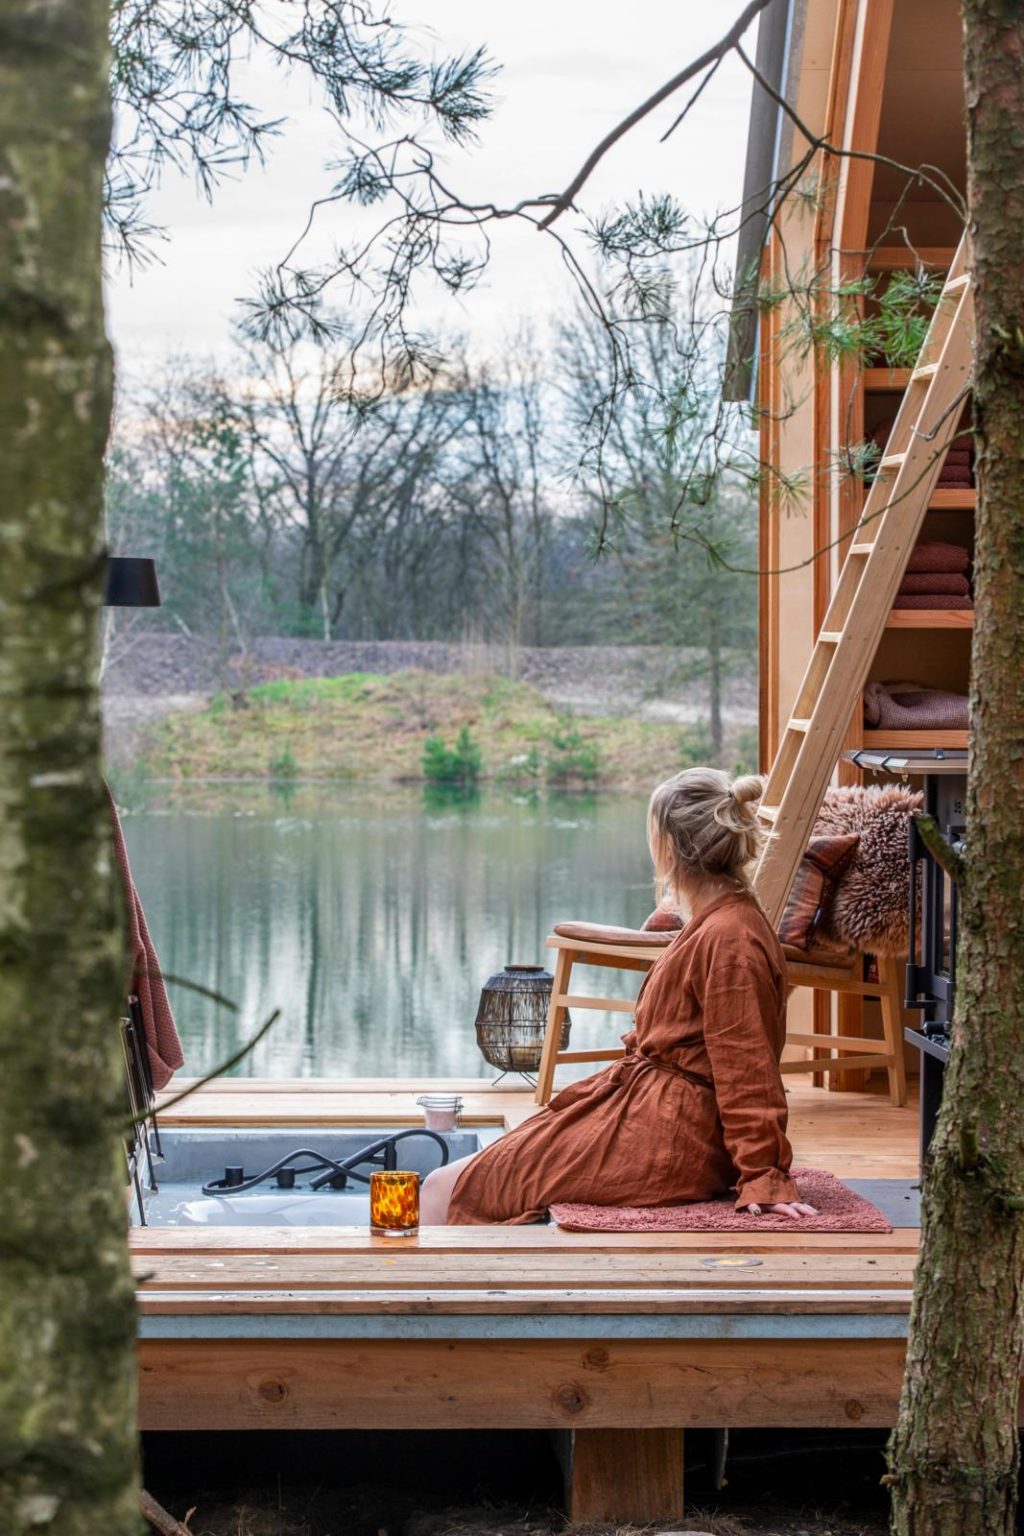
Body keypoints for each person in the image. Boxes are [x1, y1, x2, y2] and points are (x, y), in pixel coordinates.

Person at [420, 767, 817, 1226]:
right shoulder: (717, 920)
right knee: (450, 1181)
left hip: (673, 1136)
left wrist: (764, 1176)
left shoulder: (731, 939)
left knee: (443, 1189)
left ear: (669, 846)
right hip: (653, 1111)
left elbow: (747, 1067)